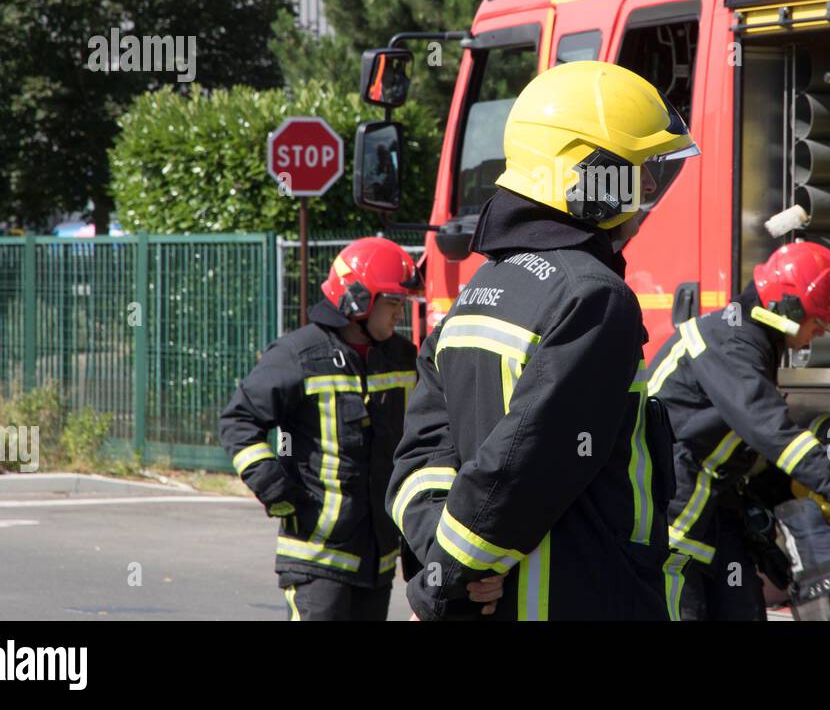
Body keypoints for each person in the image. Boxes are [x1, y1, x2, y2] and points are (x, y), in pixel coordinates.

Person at [388, 60, 698, 620]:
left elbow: (422, 456)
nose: (651, 185)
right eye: (637, 168)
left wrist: (442, 565)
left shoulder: (481, 289)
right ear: (587, 173)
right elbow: (523, 463)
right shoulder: (594, 297)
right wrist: (448, 579)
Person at [649, 240, 830, 620]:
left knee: (743, 604)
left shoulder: (749, 341)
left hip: (710, 504)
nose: (820, 334)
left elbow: (747, 440)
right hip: (670, 512)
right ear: (789, 309)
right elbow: (765, 423)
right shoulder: (729, 340)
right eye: (819, 322)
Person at [220, 237, 422, 620]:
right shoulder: (298, 355)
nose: (401, 314)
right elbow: (238, 421)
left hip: (378, 559)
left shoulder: (401, 357)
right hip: (316, 557)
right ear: (358, 301)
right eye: (394, 302)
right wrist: (274, 486)